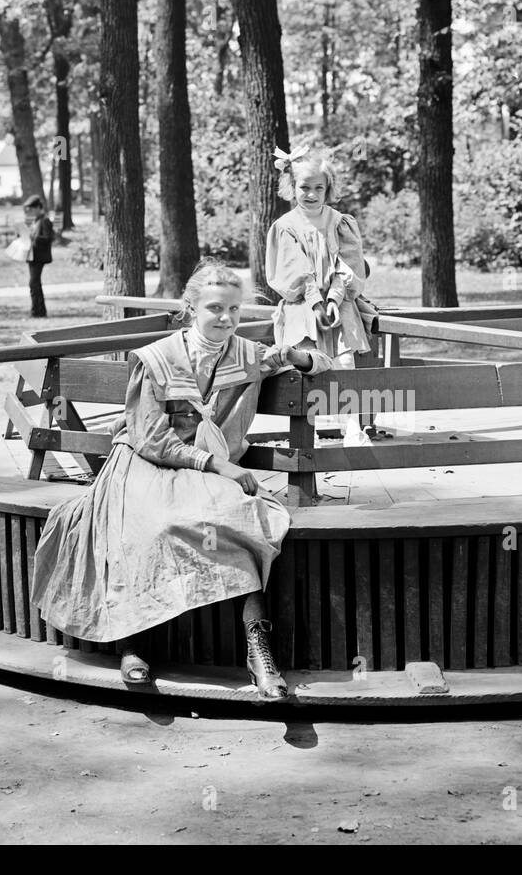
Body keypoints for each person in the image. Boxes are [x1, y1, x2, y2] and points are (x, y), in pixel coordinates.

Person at [29, 261, 332, 698]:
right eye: (214, 308)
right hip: (145, 463)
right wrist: (219, 465)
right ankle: (134, 646)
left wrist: (290, 355)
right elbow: (149, 438)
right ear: (190, 308)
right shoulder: (156, 359)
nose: (226, 318)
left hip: (209, 469)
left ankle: (258, 649)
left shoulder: (246, 354)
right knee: (146, 525)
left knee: (240, 517)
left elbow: (318, 362)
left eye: (234, 309)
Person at [265, 146, 378, 445]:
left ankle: (352, 427)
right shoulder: (286, 227)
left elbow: (349, 266)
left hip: (339, 305)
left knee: (344, 364)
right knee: (305, 365)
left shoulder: (339, 222)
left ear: (329, 188)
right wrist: (316, 301)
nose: (311, 194)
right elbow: (295, 269)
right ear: (292, 187)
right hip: (302, 306)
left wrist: (334, 299)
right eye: (304, 187)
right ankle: (307, 429)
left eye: (319, 188)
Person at [21, 195, 55, 317]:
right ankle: (38, 310)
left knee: (34, 283)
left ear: (38, 208)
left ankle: (38, 311)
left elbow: (48, 238)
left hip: (39, 257)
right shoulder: (36, 221)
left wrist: (32, 237)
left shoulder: (45, 221)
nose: (30, 212)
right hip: (32, 256)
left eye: (32, 209)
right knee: (34, 284)